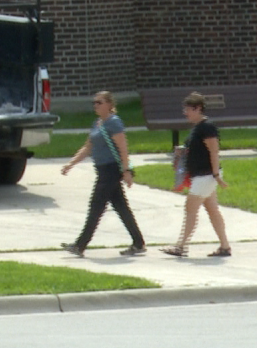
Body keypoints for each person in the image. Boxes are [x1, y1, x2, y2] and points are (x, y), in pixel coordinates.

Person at [60, 91, 145, 256]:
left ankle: (80, 245)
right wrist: (71, 164)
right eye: (94, 103)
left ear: (109, 104)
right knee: (121, 207)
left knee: (96, 205)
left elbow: (123, 148)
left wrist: (126, 171)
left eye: (99, 102)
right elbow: (88, 147)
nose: (95, 105)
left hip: (111, 170)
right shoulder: (98, 123)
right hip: (102, 170)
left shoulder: (114, 122)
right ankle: (138, 243)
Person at [161, 92, 231, 258]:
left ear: (198, 108)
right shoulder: (197, 128)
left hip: (206, 176)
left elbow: (214, 151)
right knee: (212, 210)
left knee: (190, 208)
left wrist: (216, 174)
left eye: (188, 110)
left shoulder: (207, 128)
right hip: (202, 176)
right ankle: (225, 246)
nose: (185, 113)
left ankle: (181, 246)